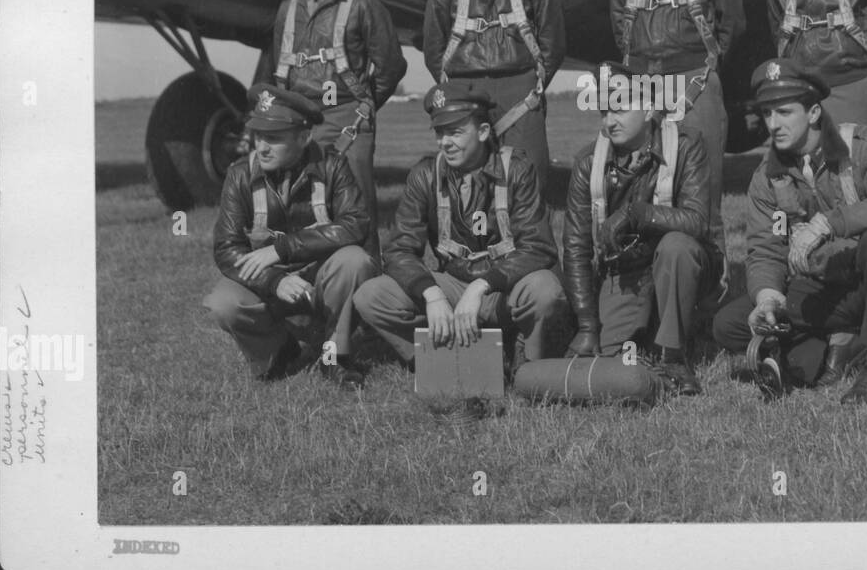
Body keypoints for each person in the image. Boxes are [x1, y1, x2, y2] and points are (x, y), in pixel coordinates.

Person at [711, 60, 867, 403]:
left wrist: (829, 222)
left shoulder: (863, 146)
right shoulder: (766, 176)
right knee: (730, 324)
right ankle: (837, 344)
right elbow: (765, 251)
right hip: (821, 290)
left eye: (783, 112)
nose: (773, 124)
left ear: (812, 113)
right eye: (766, 114)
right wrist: (767, 296)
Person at [351, 81, 569, 372]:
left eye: (455, 132)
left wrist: (482, 285)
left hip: (505, 288)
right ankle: (436, 356)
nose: (445, 142)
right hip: (452, 284)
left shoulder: (517, 169)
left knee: (544, 290)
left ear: (482, 132)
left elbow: (539, 248)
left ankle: (528, 361)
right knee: (370, 296)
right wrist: (432, 294)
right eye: (440, 133)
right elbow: (399, 249)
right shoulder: (425, 174)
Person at [609, 0, 745, 295]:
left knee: (703, 192)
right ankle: (651, 290)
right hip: (642, 85)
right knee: (642, 187)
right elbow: (619, 22)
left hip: (695, 81)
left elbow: (732, 22)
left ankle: (712, 291)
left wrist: (703, 61)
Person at [562, 62, 722, 395]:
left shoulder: (687, 145)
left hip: (677, 262)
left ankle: (674, 355)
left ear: (649, 108)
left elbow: (697, 222)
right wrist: (587, 325)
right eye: (604, 110)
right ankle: (648, 330)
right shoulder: (587, 162)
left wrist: (638, 213)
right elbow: (576, 247)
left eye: (619, 107)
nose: (609, 120)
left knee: (676, 246)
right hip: (625, 272)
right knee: (611, 361)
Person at [204, 85, 376, 389]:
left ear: (303, 137)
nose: (262, 147)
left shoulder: (333, 165)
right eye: (258, 136)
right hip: (271, 281)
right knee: (223, 302)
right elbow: (227, 249)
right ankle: (277, 350)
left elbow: (356, 224)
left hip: (320, 275)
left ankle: (335, 356)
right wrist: (274, 281)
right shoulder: (240, 174)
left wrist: (283, 249)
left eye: (273, 138)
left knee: (355, 261)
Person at [256, 0, 407, 260]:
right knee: (300, 215)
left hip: (347, 122)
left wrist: (364, 107)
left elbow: (391, 65)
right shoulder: (286, 10)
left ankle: (369, 298)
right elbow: (281, 67)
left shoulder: (362, 4)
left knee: (356, 215)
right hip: (299, 125)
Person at [421, 0, 566, 195]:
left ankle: (529, 245)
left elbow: (553, 42)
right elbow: (433, 46)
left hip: (520, 95)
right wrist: (456, 91)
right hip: (465, 91)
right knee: (470, 190)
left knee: (528, 184)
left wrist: (532, 84)